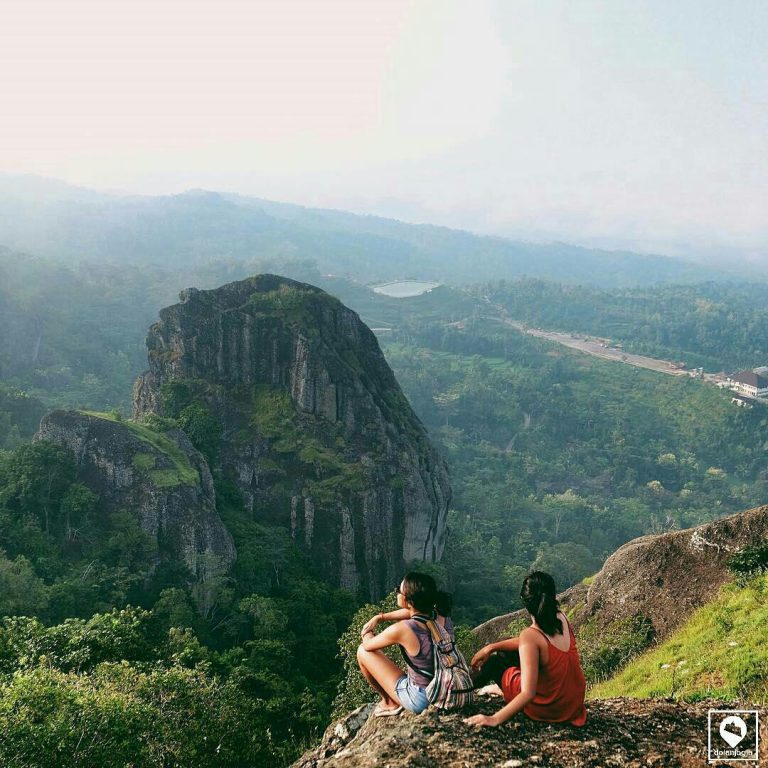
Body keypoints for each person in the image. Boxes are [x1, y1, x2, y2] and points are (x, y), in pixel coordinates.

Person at [464, 571, 587, 728]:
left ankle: (459, 690)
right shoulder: (560, 617)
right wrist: (491, 646)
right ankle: (502, 689)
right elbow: (529, 644)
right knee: (504, 645)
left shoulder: (530, 635)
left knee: (494, 662)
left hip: (550, 708)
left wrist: (493, 719)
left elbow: (528, 693)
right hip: (572, 704)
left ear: (525, 601)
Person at [357, 572, 453, 716]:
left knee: (362, 652)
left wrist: (366, 631)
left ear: (408, 601)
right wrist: (380, 617)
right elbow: (414, 613)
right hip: (447, 689)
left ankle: (389, 703)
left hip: (422, 699)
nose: (396, 593)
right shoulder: (442, 617)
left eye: (398, 591)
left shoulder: (405, 629)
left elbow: (368, 645)